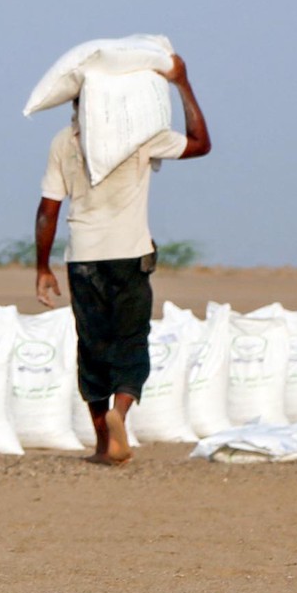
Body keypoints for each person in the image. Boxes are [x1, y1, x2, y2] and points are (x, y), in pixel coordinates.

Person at [33, 53, 210, 466]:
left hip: (84, 259)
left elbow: (48, 209)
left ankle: (102, 443)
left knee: (92, 347)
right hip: (131, 255)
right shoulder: (140, 137)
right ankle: (121, 413)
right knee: (131, 343)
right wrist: (181, 83)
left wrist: (43, 267)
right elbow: (201, 144)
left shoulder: (64, 141)